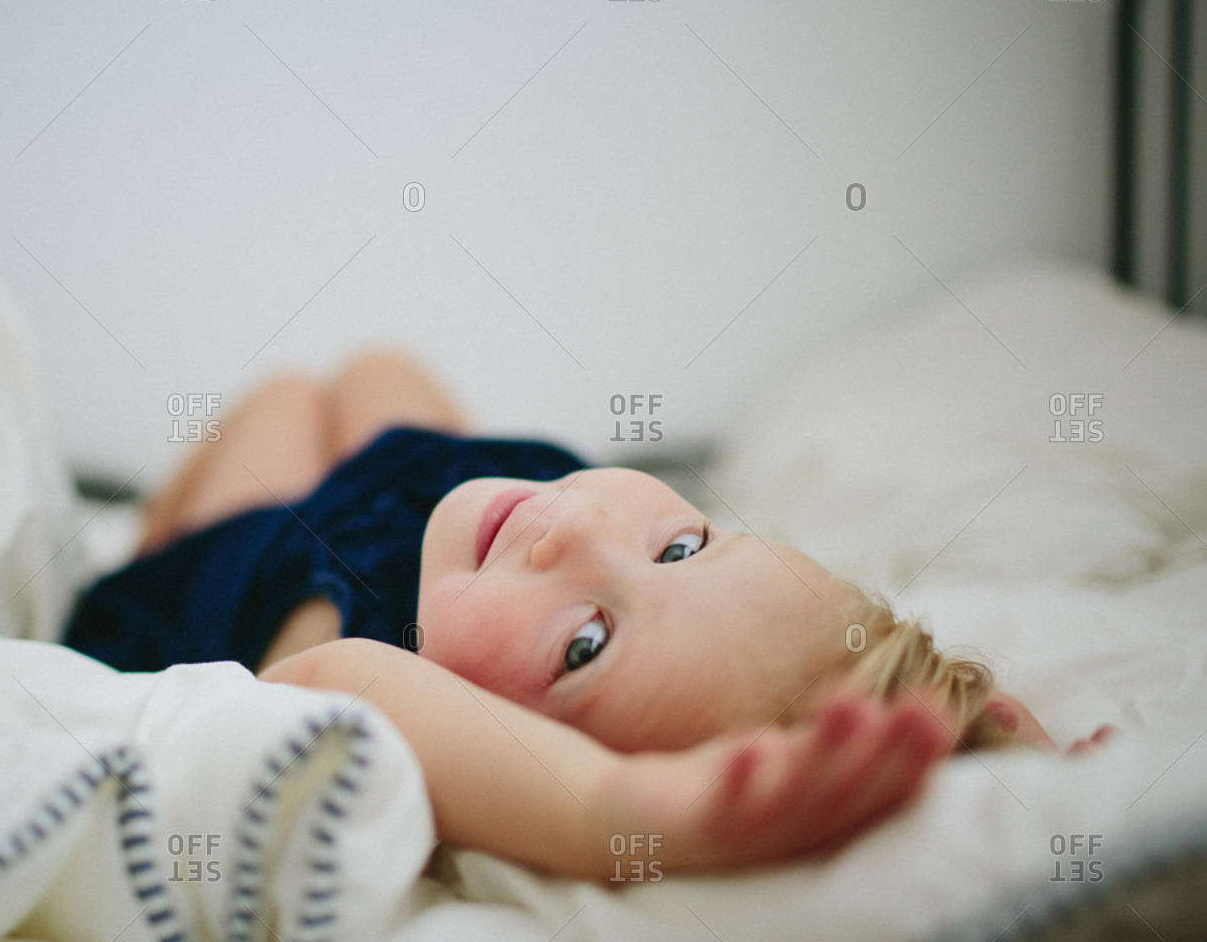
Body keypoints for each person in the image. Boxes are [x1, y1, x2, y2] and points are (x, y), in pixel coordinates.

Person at [65, 351, 1106, 879]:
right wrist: (992, 735)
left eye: (586, 644)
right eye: (684, 548)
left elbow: (349, 691)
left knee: (283, 396)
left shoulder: (383, 674)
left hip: (234, 561)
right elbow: (902, 684)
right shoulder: (555, 516)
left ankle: (149, 527)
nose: (584, 531)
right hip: (433, 490)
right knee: (382, 367)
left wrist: (614, 811)